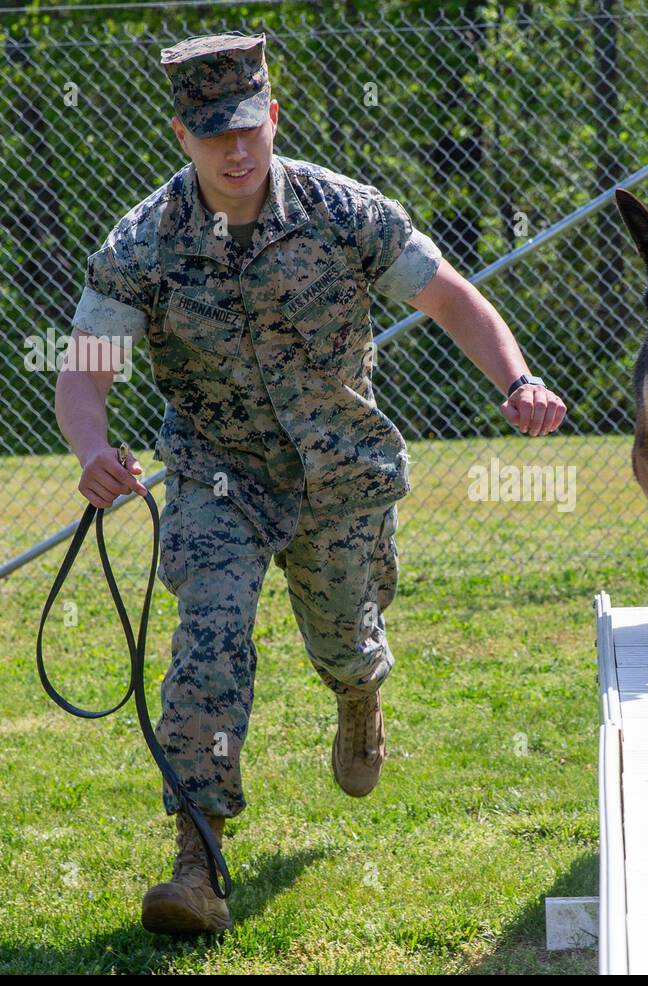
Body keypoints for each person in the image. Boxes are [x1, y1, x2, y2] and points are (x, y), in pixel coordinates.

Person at [54, 31, 566, 935]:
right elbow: (86, 371)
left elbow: (449, 295)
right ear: (183, 136)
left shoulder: (343, 211)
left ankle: (360, 693)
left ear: (274, 116)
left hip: (340, 477)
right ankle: (198, 857)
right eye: (215, 136)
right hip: (219, 475)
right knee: (207, 639)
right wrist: (93, 448)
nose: (237, 150)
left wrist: (517, 380)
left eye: (249, 127)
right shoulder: (144, 242)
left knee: (343, 642)